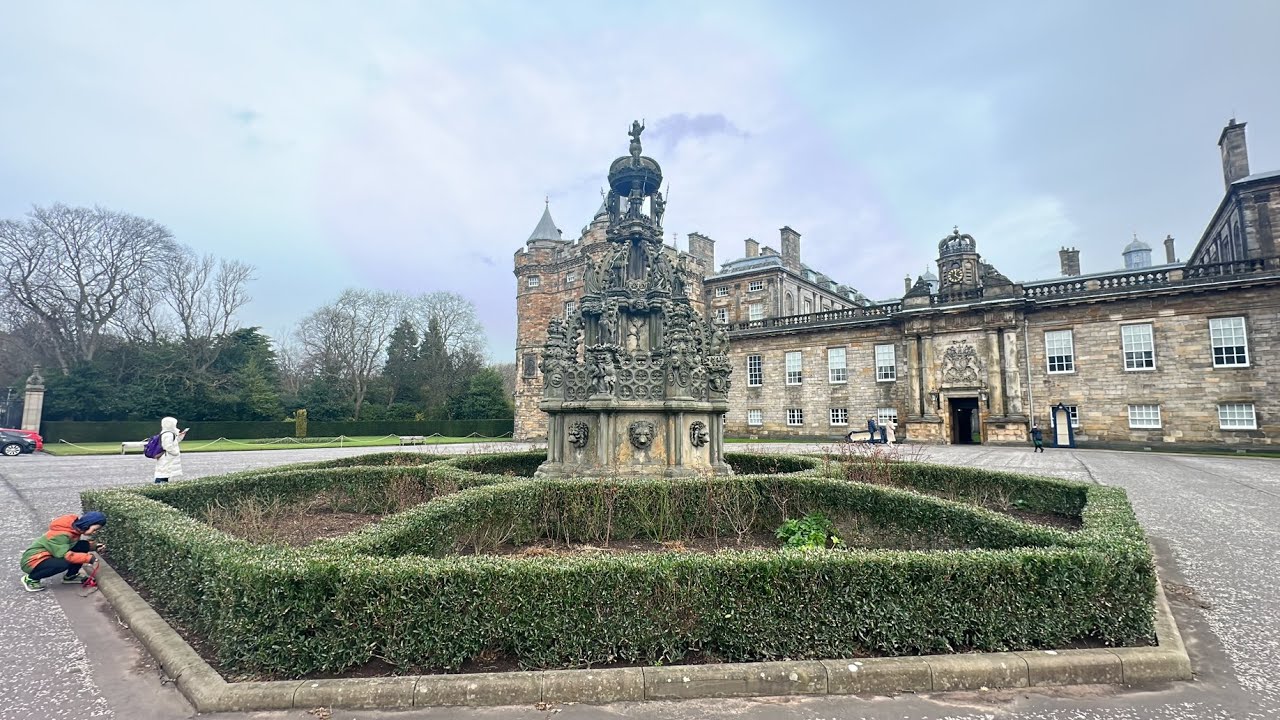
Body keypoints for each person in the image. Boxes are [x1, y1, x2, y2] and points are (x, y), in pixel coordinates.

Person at [20, 511, 106, 592]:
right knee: (64, 563)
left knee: (82, 546)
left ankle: (71, 576)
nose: (94, 532)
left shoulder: (74, 529)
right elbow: (65, 555)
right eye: (94, 529)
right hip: (33, 561)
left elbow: (73, 545)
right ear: (87, 525)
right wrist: (88, 558)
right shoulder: (61, 534)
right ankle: (30, 579)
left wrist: (93, 546)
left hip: (50, 555)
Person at [154, 416, 188, 483]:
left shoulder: (168, 433)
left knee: (164, 474)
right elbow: (168, 446)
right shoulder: (168, 434)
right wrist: (176, 452)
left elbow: (174, 442)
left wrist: (181, 436)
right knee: (163, 475)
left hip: (166, 457)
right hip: (167, 458)